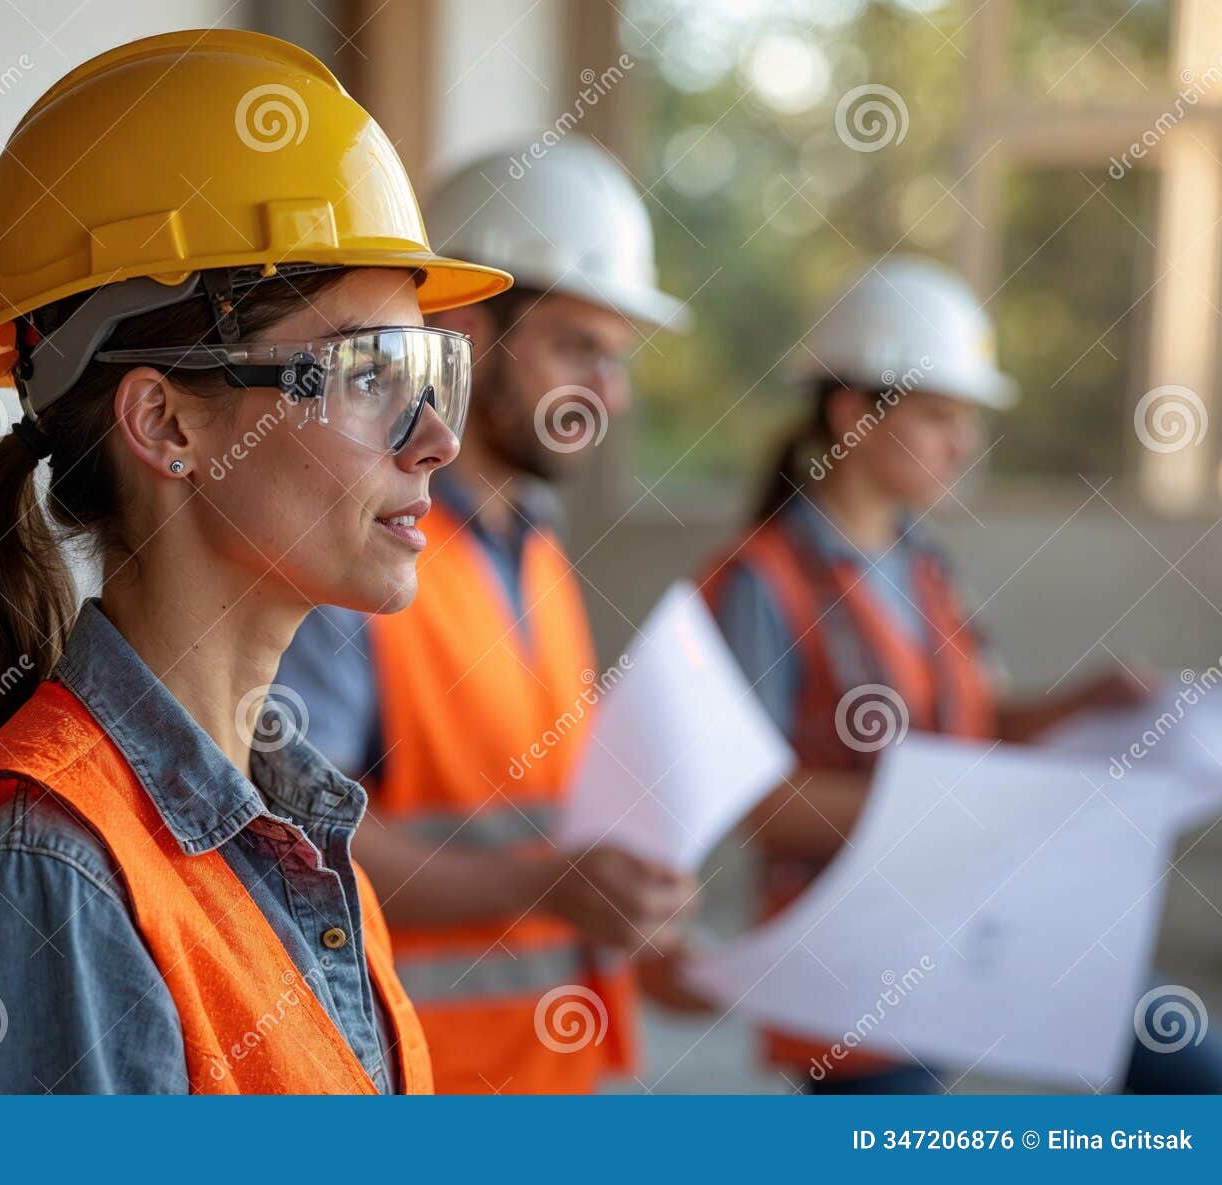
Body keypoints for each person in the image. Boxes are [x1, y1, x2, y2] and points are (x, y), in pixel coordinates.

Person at [0, 29, 517, 1095]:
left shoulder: (295, 839)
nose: (436, 438)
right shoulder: (50, 887)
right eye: (370, 373)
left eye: (432, 370)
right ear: (167, 425)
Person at [700, 255, 1222, 1094]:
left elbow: (972, 725)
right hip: (851, 977)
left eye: (967, 418)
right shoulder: (759, 582)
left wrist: (1081, 704)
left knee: (1194, 1069)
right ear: (851, 415)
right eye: (940, 414)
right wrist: (947, 810)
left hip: (973, 922)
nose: (964, 443)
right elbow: (755, 804)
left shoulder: (924, 567)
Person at [274, 136, 700, 1095]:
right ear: (464, 329)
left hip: (552, 1078)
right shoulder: (355, 549)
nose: (612, 390)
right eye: (579, 346)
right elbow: (297, 847)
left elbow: (538, 820)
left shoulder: (537, 550)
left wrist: (640, 923)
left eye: (617, 356)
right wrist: (545, 888)